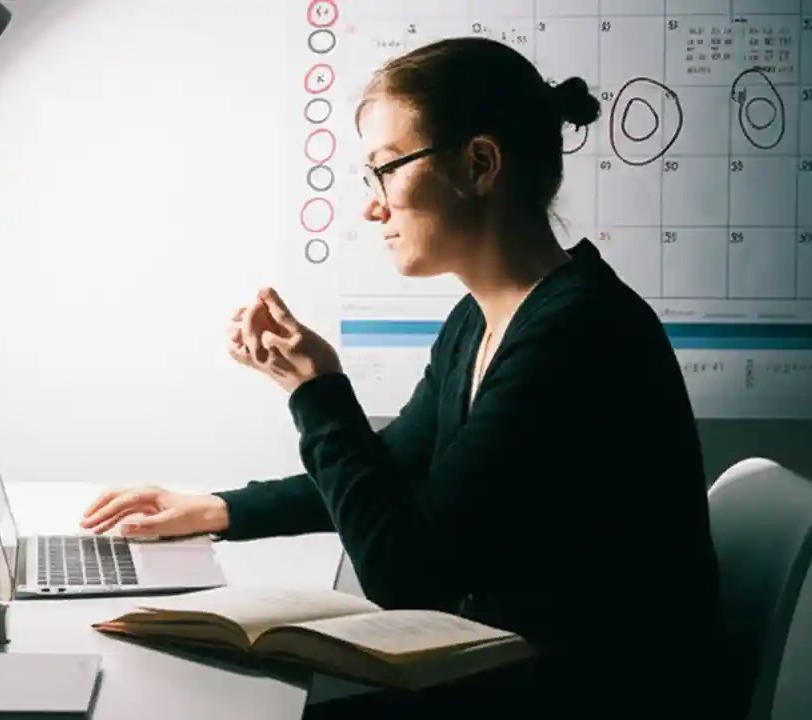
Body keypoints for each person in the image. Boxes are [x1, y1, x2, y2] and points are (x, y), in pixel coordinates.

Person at [81, 36, 728, 717]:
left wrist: (316, 393)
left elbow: (407, 575)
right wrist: (218, 510)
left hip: (590, 695)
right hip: (524, 670)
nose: (371, 206)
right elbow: (394, 468)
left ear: (480, 165)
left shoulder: (576, 335)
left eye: (386, 169)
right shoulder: (478, 322)